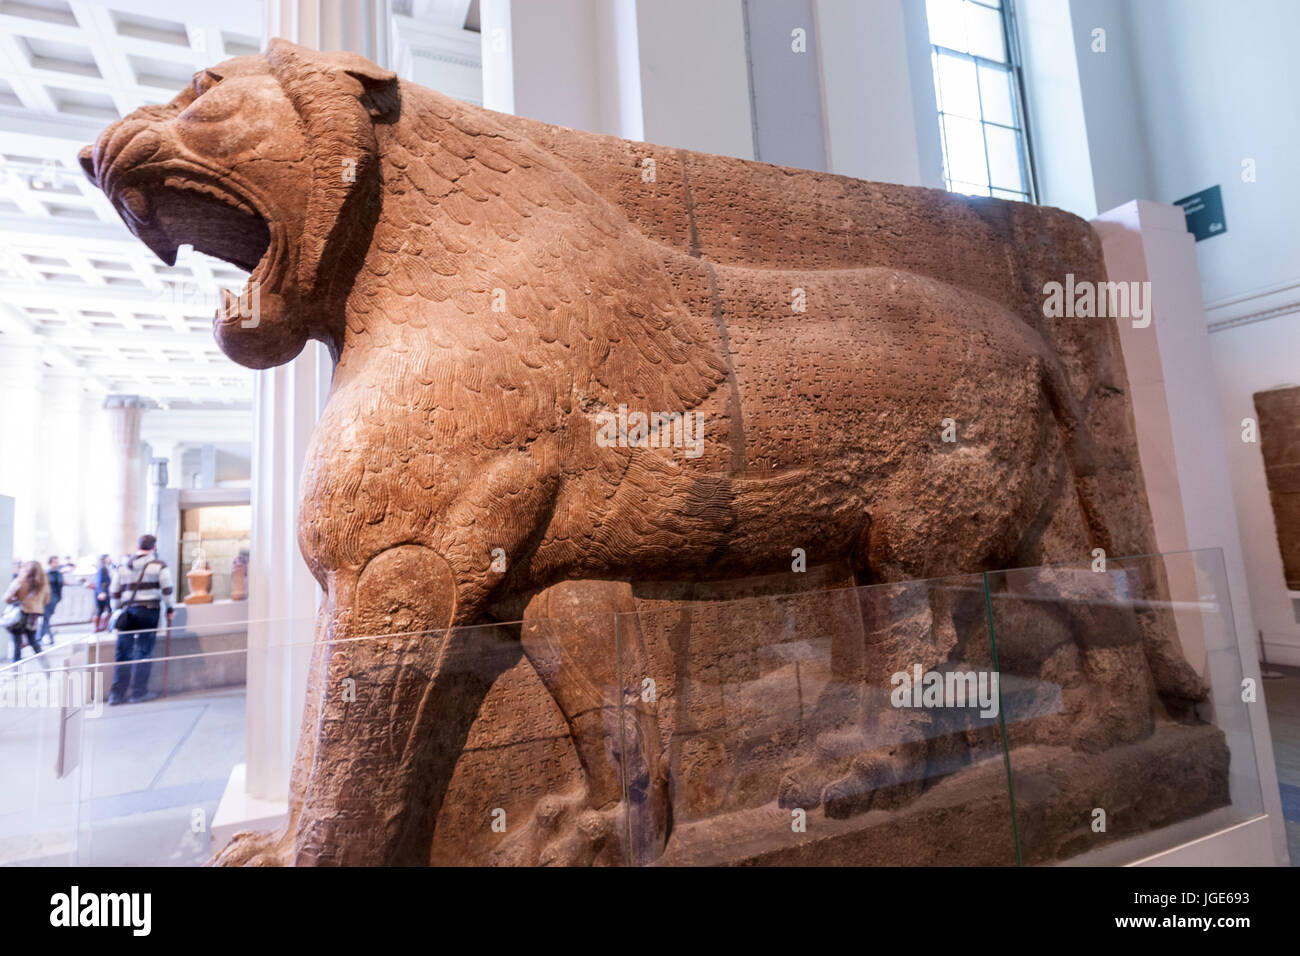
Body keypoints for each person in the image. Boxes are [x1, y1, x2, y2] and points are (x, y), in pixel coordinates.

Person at [108, 535, 174, 705]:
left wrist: (117, 610)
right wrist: (170, 608)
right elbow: (167, 589)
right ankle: (138, 692)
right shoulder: (158, 565)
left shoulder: (122, 566)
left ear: (138, 546)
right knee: (144, 651)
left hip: (127, 611)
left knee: (123, 652)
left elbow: (114, 591)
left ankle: (117, 694)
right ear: (154, 547)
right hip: (149, 610)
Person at [4, 560, 50, 662]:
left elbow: (7, 598)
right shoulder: (44, 584)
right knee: (33, 641)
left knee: (17, 642)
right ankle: (46, 667)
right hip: (34, 616)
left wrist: (17, 599)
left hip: (20, 615)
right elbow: (46, 600)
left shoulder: (20, 581)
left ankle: (16, 670)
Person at [40, 555, 63, 646]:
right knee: (46, 618)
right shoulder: (45, 573)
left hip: (55, 598)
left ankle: (45, 637)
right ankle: (43, 637)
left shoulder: (58, 573)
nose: (57, 564)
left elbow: (60, 585)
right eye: (55, 562)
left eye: (57, 562)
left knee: (46, 618)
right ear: (50, 563)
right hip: (47, 598)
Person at [91, 554, 113, 632]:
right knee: (101, 610)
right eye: (108, 558)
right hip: (102, 592)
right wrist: (101, 592)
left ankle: (104, 626)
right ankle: (98, 627)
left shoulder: (106, 568)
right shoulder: (102, 569)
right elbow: (99, 581)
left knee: (108, 610)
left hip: (105, 591)